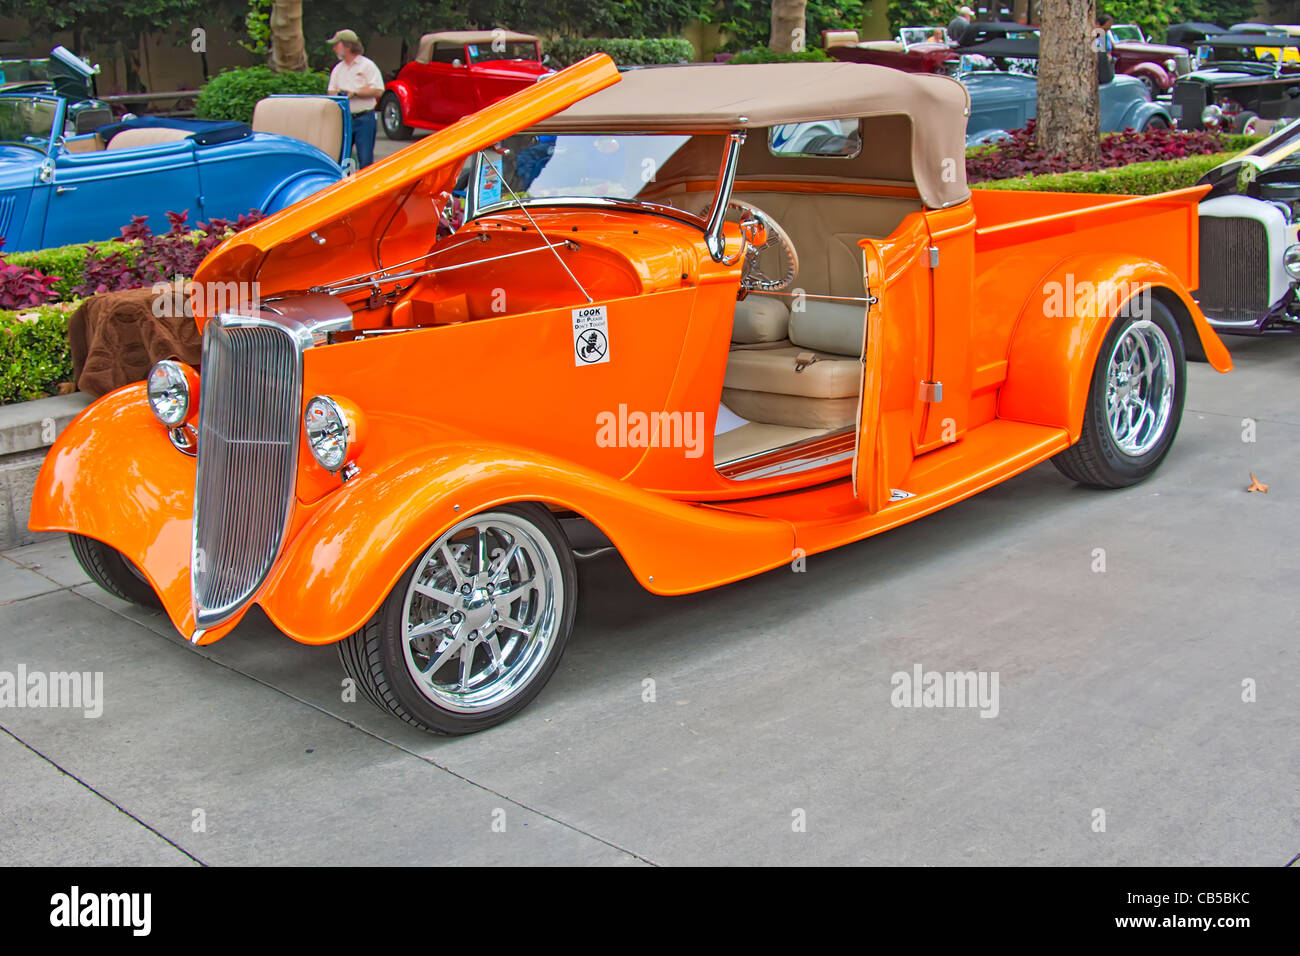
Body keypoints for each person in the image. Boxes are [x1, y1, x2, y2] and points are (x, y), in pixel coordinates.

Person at [326, 29, 384, 169]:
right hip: (345, 119)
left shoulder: (367, 66)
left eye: (337, 45)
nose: (334, 48)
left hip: (364, 118)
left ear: (347, 46)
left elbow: (378, 90)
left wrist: (355, 93)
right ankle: (347, 186)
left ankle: (366, 188)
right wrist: (339, 94)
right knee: (343, 159)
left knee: (365, 159)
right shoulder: (338, 69)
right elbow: (330, 90)